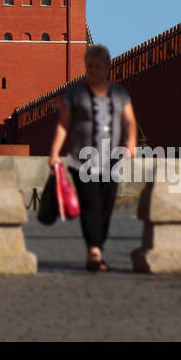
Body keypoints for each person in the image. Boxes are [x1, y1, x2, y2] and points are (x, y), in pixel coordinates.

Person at [48, 44, 138, 272]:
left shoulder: (119, 93)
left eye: (98, 66)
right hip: (82, 160)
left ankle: (97, 245)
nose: (93, 71)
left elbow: (129, 120)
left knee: (106, 204)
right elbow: (63, 124)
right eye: (90, 67)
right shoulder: (75, 93)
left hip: (112, 159)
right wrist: (54, 152)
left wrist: (131, 142)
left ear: (107, 67)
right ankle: (94, 251)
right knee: (91, 204)